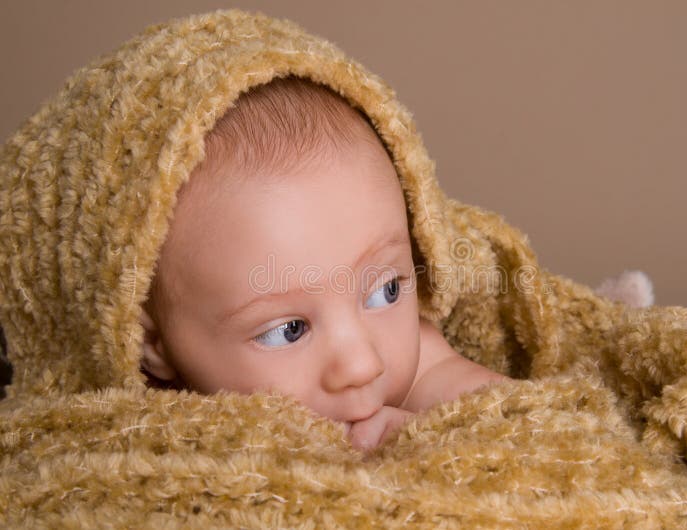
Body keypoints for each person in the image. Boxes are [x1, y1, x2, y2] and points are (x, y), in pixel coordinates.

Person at [138, 76, 507, 450]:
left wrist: (422, 446)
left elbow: (519, 425)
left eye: (385, 291)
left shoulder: (416, 361)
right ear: (151, 346)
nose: (362, 365)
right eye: (289, 330)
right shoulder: (131, 435)